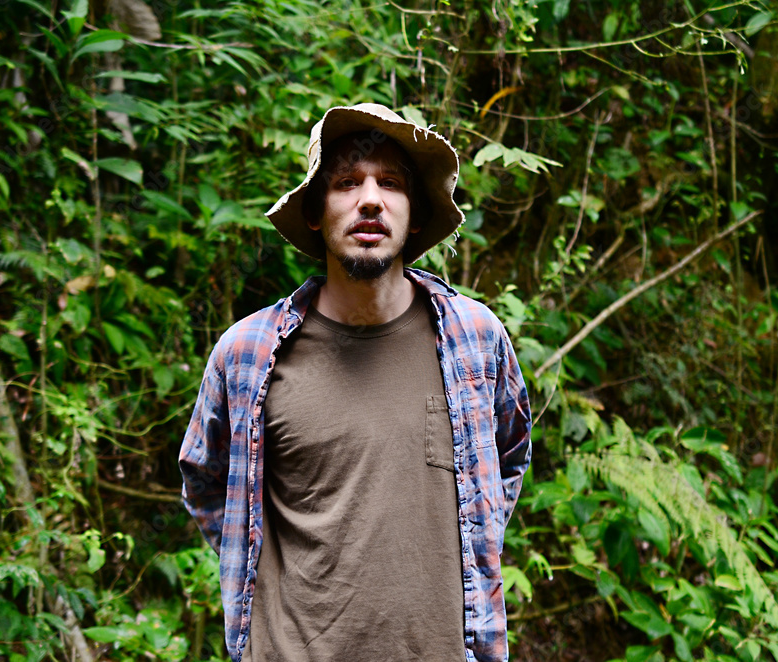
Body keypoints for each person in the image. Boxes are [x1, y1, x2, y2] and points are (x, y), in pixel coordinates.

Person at [179, 103, 532, 662]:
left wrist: (471, 537)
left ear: (415, 214)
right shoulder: (247, 354)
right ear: (315, 211)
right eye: (346, 183)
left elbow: (509, 455)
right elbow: (206, 479)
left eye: (390, 183)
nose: (370, 199)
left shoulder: (474, 338)